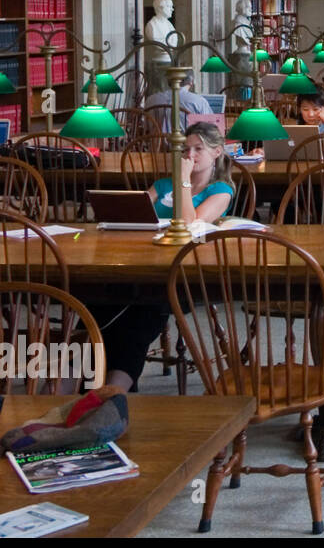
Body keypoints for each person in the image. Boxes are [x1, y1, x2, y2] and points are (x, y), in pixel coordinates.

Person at [92, 123, 236, 391]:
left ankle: (112, 390)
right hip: (140, 261)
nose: (189, 155)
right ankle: (82, 387)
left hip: (181, 273)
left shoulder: (220, 191)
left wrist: (183, 179)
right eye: (185, 149)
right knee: (99, 303)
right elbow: (134, 211)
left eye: (198, 149)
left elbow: (190, 222)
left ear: (216, 152)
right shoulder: (162, 185)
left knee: (142, 313)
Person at [142, 70, 212, 131]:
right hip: (187, 145)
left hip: (155, 145)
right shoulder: (198, 101)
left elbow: (146, 128)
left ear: (169, 81)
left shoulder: (150, 99)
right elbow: (209, 128)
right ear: (191, 82)